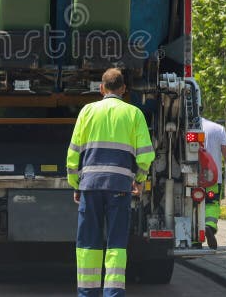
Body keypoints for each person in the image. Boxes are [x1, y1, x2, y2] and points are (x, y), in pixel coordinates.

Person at [66, 68, 155, 297]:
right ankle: (113, 293)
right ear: (124, 89)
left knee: (88, 244)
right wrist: (139, 179)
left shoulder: (87, 111)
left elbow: (73, 153)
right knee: (116, 244)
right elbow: (145, 155)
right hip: (120, 187)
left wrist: (76, 183)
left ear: (101, 88)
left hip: (90, 186)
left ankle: (87, 292)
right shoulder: (134, 114)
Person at [201, 117, 226, 249]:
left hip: (190, 177)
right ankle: (209, 226)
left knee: (192, 204)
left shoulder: (185, 127)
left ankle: (193, 240)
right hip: (212, 177)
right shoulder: (218, 129)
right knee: (212, 203)